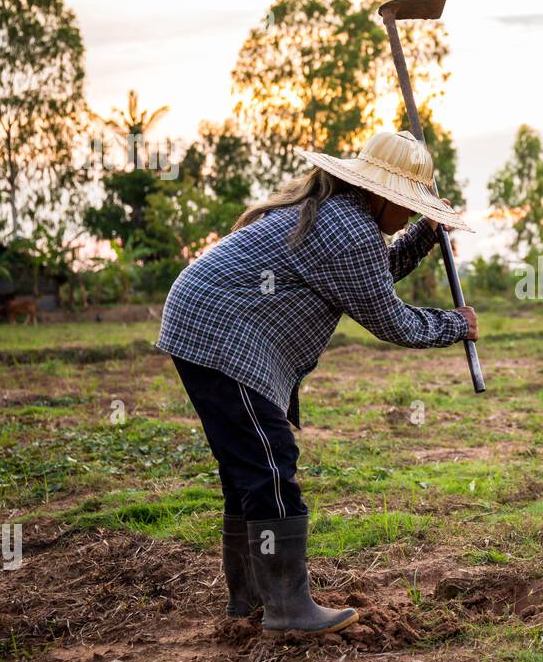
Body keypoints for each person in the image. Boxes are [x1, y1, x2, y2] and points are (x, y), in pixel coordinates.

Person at [157, 130, 477, 635]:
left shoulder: (344, 220)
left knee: (248, 470)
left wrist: (422, 238)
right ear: (382, 195)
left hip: (203, 324)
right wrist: (455, 324)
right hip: (223, 335)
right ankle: (287, 607)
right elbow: (390, 319)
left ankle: (251, 597)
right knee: (269, 465)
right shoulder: (349, 229)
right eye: (409, 208)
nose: (411, 215)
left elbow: (367, 276)